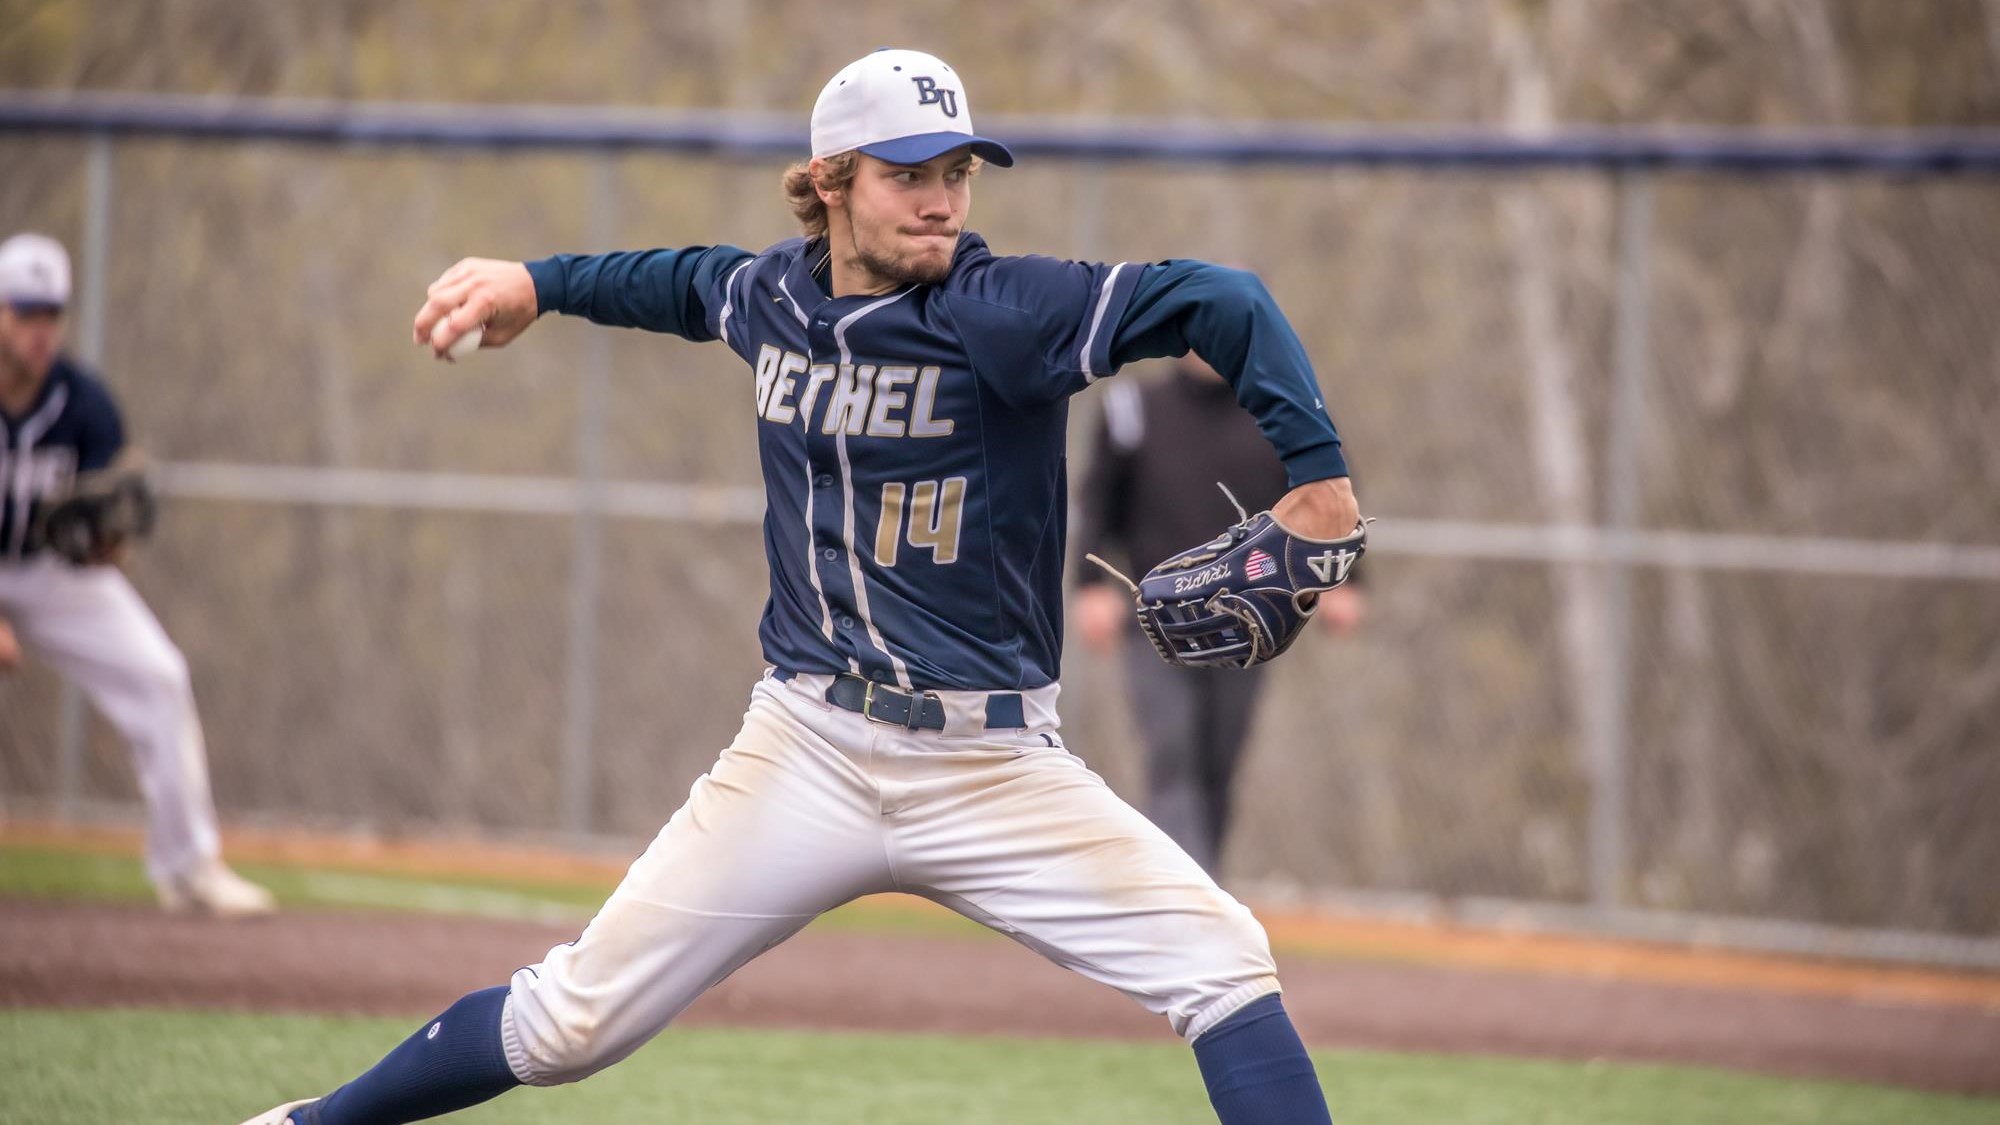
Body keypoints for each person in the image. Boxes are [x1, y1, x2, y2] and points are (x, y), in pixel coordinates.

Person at [240, 48, 1359, 1125]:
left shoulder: (1007, 312)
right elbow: (679, 283)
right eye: (907, 175)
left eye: (957, 171)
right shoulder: (769, 296)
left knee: (1222, 961)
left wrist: (1320, 488)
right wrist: (538, 282)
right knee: (567, 1024)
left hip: (991, 765)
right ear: (830, 182)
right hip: (806, 748)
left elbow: (1223, 300)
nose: (941, 201)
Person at [0, 232, 274, 918]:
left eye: (51, 314)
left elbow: (108, 523)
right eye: (25, 313)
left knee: (160, 676)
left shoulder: (83, 401)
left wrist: (104, 544)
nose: (41, 330)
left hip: (45, 572)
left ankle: (190, 867)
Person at [1073, 357, 1366, 875]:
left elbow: (1330, 498)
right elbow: (1096, 501)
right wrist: (1090, 586)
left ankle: (1201, 883)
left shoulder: (1284, 410)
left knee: (1217, 769)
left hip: (1250, 626)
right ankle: (1183, 894)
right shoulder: (1132, 407)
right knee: (1172, 756)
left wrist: (1345, 579)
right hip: (1157, 627)